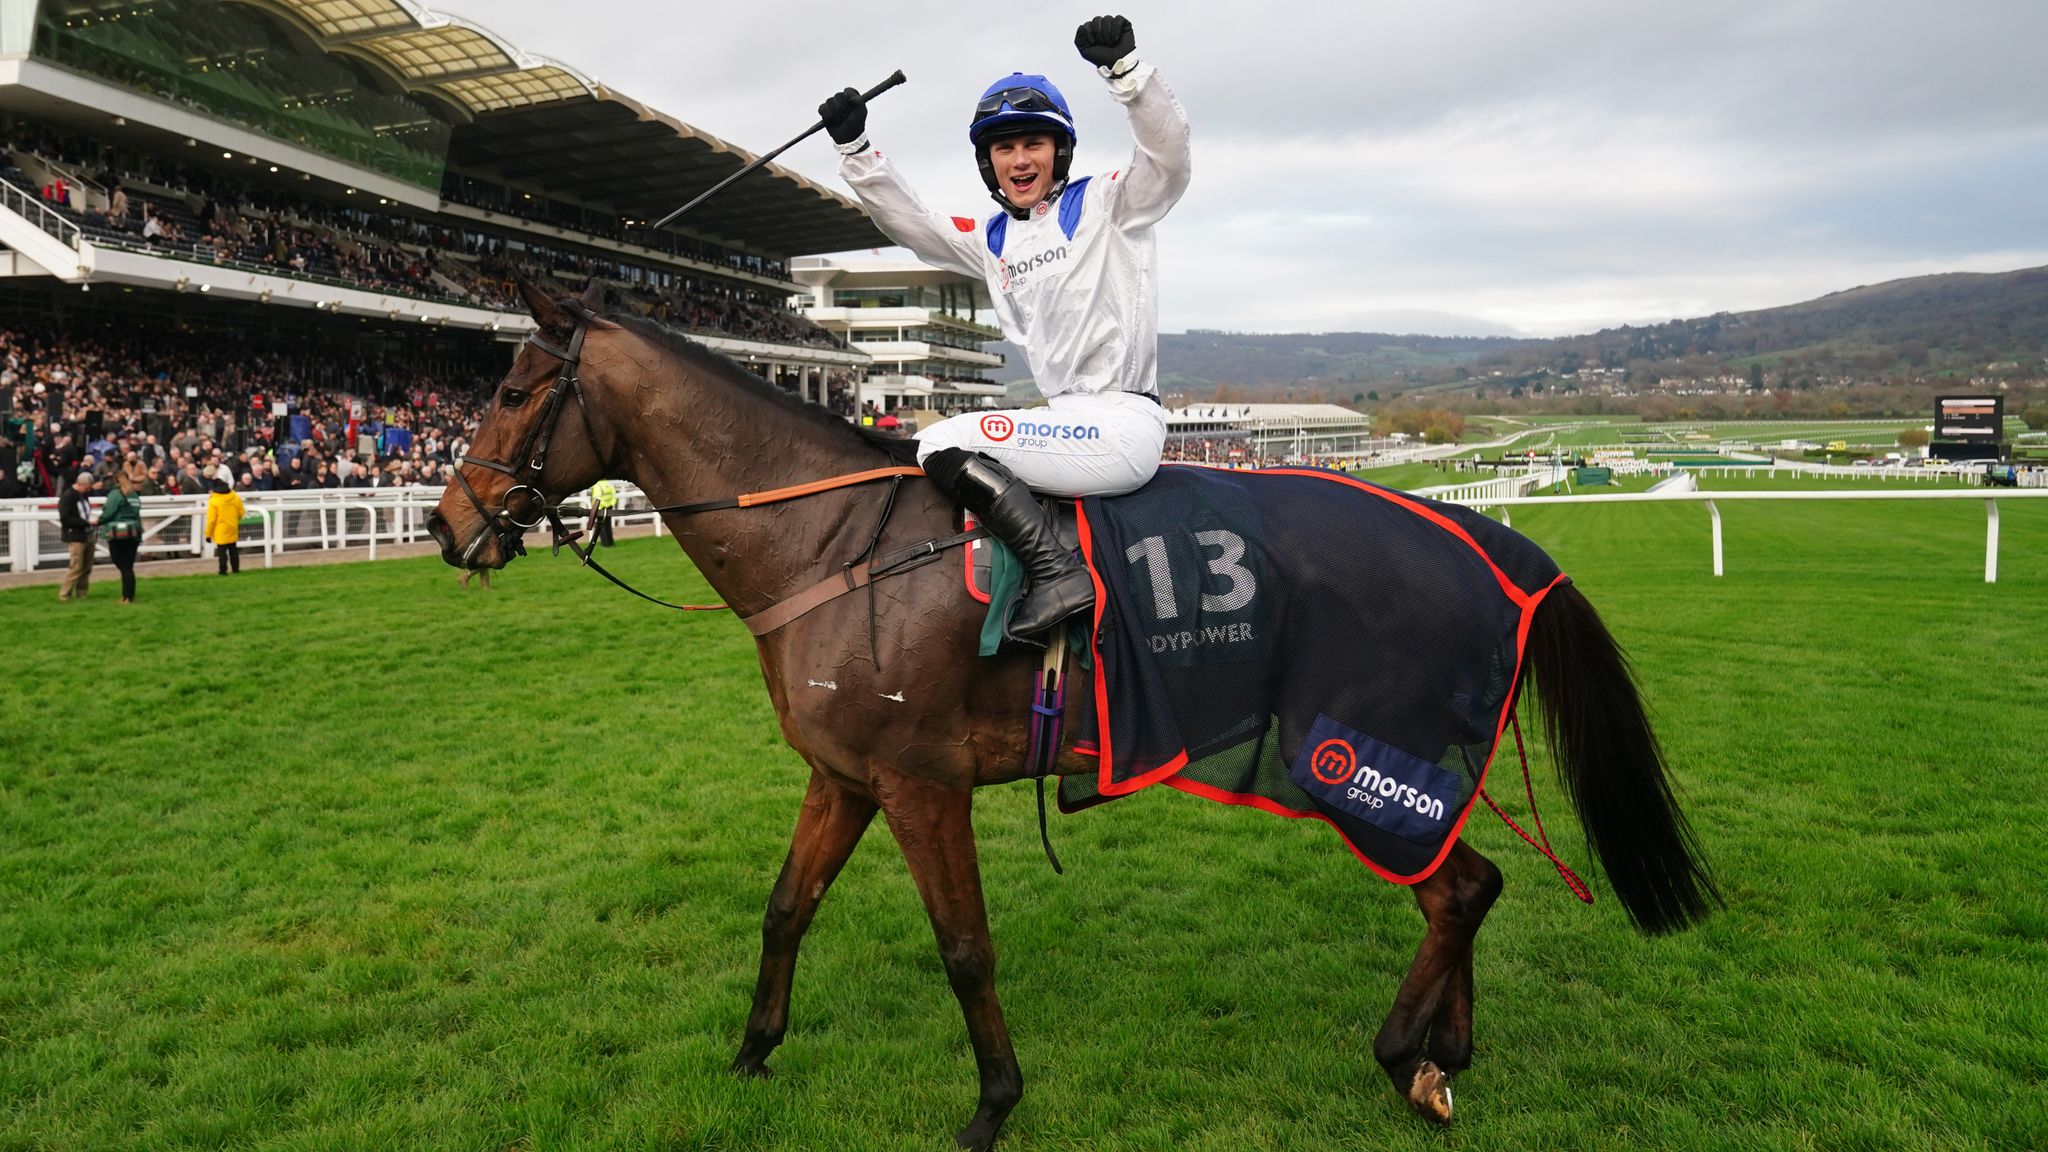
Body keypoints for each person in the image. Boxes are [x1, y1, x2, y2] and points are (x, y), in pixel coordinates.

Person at [819, 14, 1189, 639]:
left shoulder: (1107, 203)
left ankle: (1058, 574)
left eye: (1033, 144)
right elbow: (915, 225)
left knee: (939, 443)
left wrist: (1127, 74)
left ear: (1058, 151)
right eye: (1004, 147)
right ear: (989, 162)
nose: (1020, 160)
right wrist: (857, 152)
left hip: (1121, 423)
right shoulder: (993, 239)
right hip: (1068, 419)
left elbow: (1169, 158)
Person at [97, 467, 145, 603]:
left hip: (117, 533)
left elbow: (108, 512)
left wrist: (99, 521)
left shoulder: (115, 494)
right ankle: (129, 594)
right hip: (133, 533)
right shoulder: (134, 494)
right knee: (128, 566)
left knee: (122, 565)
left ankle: (127, 596)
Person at [57, 469, 96, 601]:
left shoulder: (83, 495)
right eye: (87, 488)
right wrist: (85, 522)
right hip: (75, 536)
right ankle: (64, 594)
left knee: (87, 567)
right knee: (76, 566)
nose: (89, 490)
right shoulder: (68, 496)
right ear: (80, 484)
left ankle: (82, 593)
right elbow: (65, 518)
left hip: (88, 534)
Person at [205, 465, 245, 575]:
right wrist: (234, 519)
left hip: (220, 529)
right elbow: (241, 512)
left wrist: (208, 534)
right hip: (232, 526)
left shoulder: (214, 501)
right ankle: (236, 569)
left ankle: (223, 570)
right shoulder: (235, 497)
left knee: (222, 552)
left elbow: (211, 519)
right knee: (233, 550)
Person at [590, 477, 619, 547]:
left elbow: (597, 498)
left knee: (601, 526)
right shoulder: (609, 484)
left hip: (600, 508)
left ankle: (605, 543)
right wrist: (611, 504)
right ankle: (610, 542)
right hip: (609, 507)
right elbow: (614, 495)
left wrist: (600, 507)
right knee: (608, 525)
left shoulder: (597, 485)